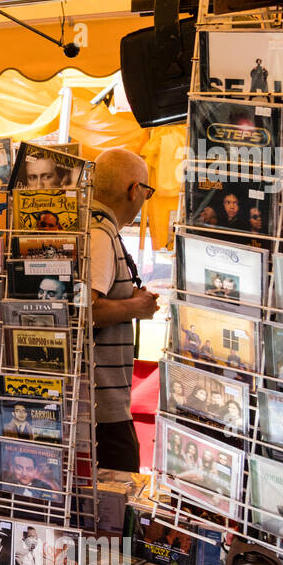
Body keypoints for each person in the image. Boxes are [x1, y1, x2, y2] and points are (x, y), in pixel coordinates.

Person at [88, 148, 160, 471]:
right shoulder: (100, 233)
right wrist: (136, 306)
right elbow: (86, 310)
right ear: (135, 191)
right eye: (146, 191)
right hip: (103, 409)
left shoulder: (90, 224)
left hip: (96, 403)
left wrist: (126, 295)